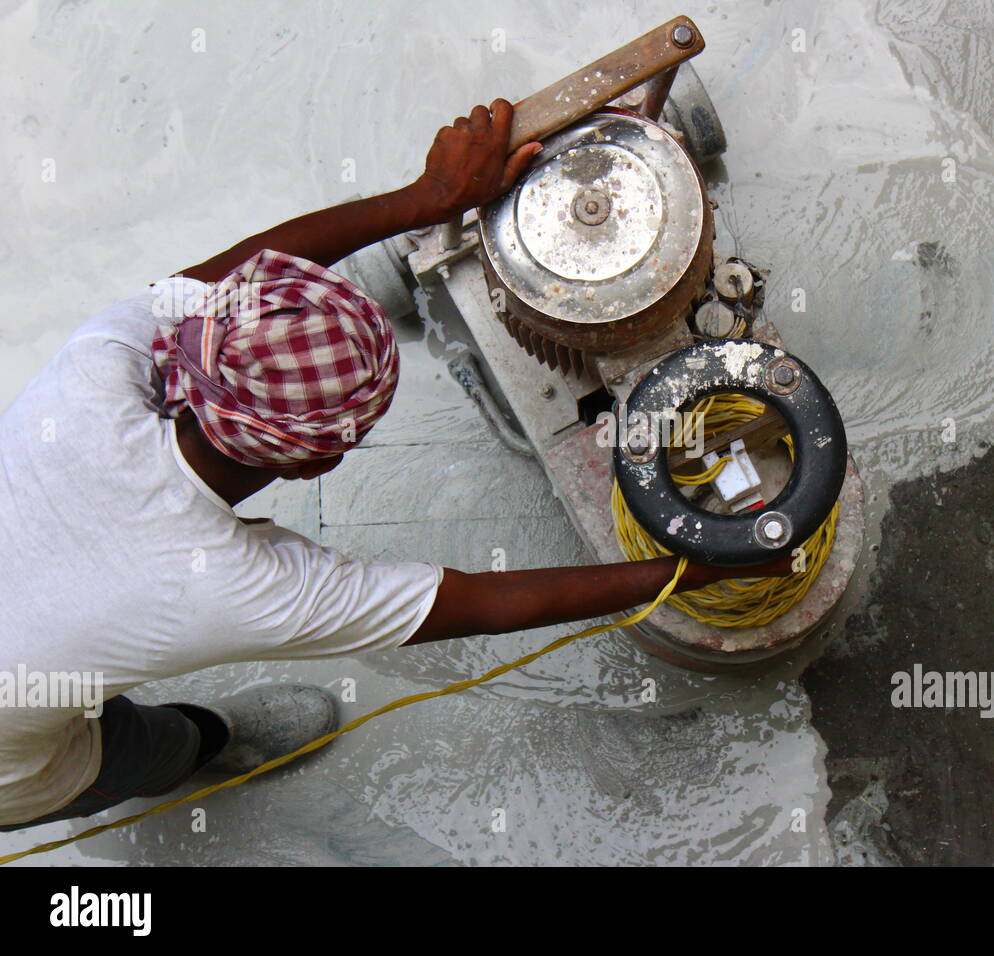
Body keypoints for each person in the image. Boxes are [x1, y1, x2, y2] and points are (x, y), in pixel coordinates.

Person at [0, 100, 790, 831]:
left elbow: (235, 275)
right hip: (10, 761)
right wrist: (690, 571)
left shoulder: (97, 371)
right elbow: (481, 604)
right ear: (319, 464)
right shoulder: (233, 591)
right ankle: (206, 745)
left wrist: (427, 198)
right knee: (129, 751)